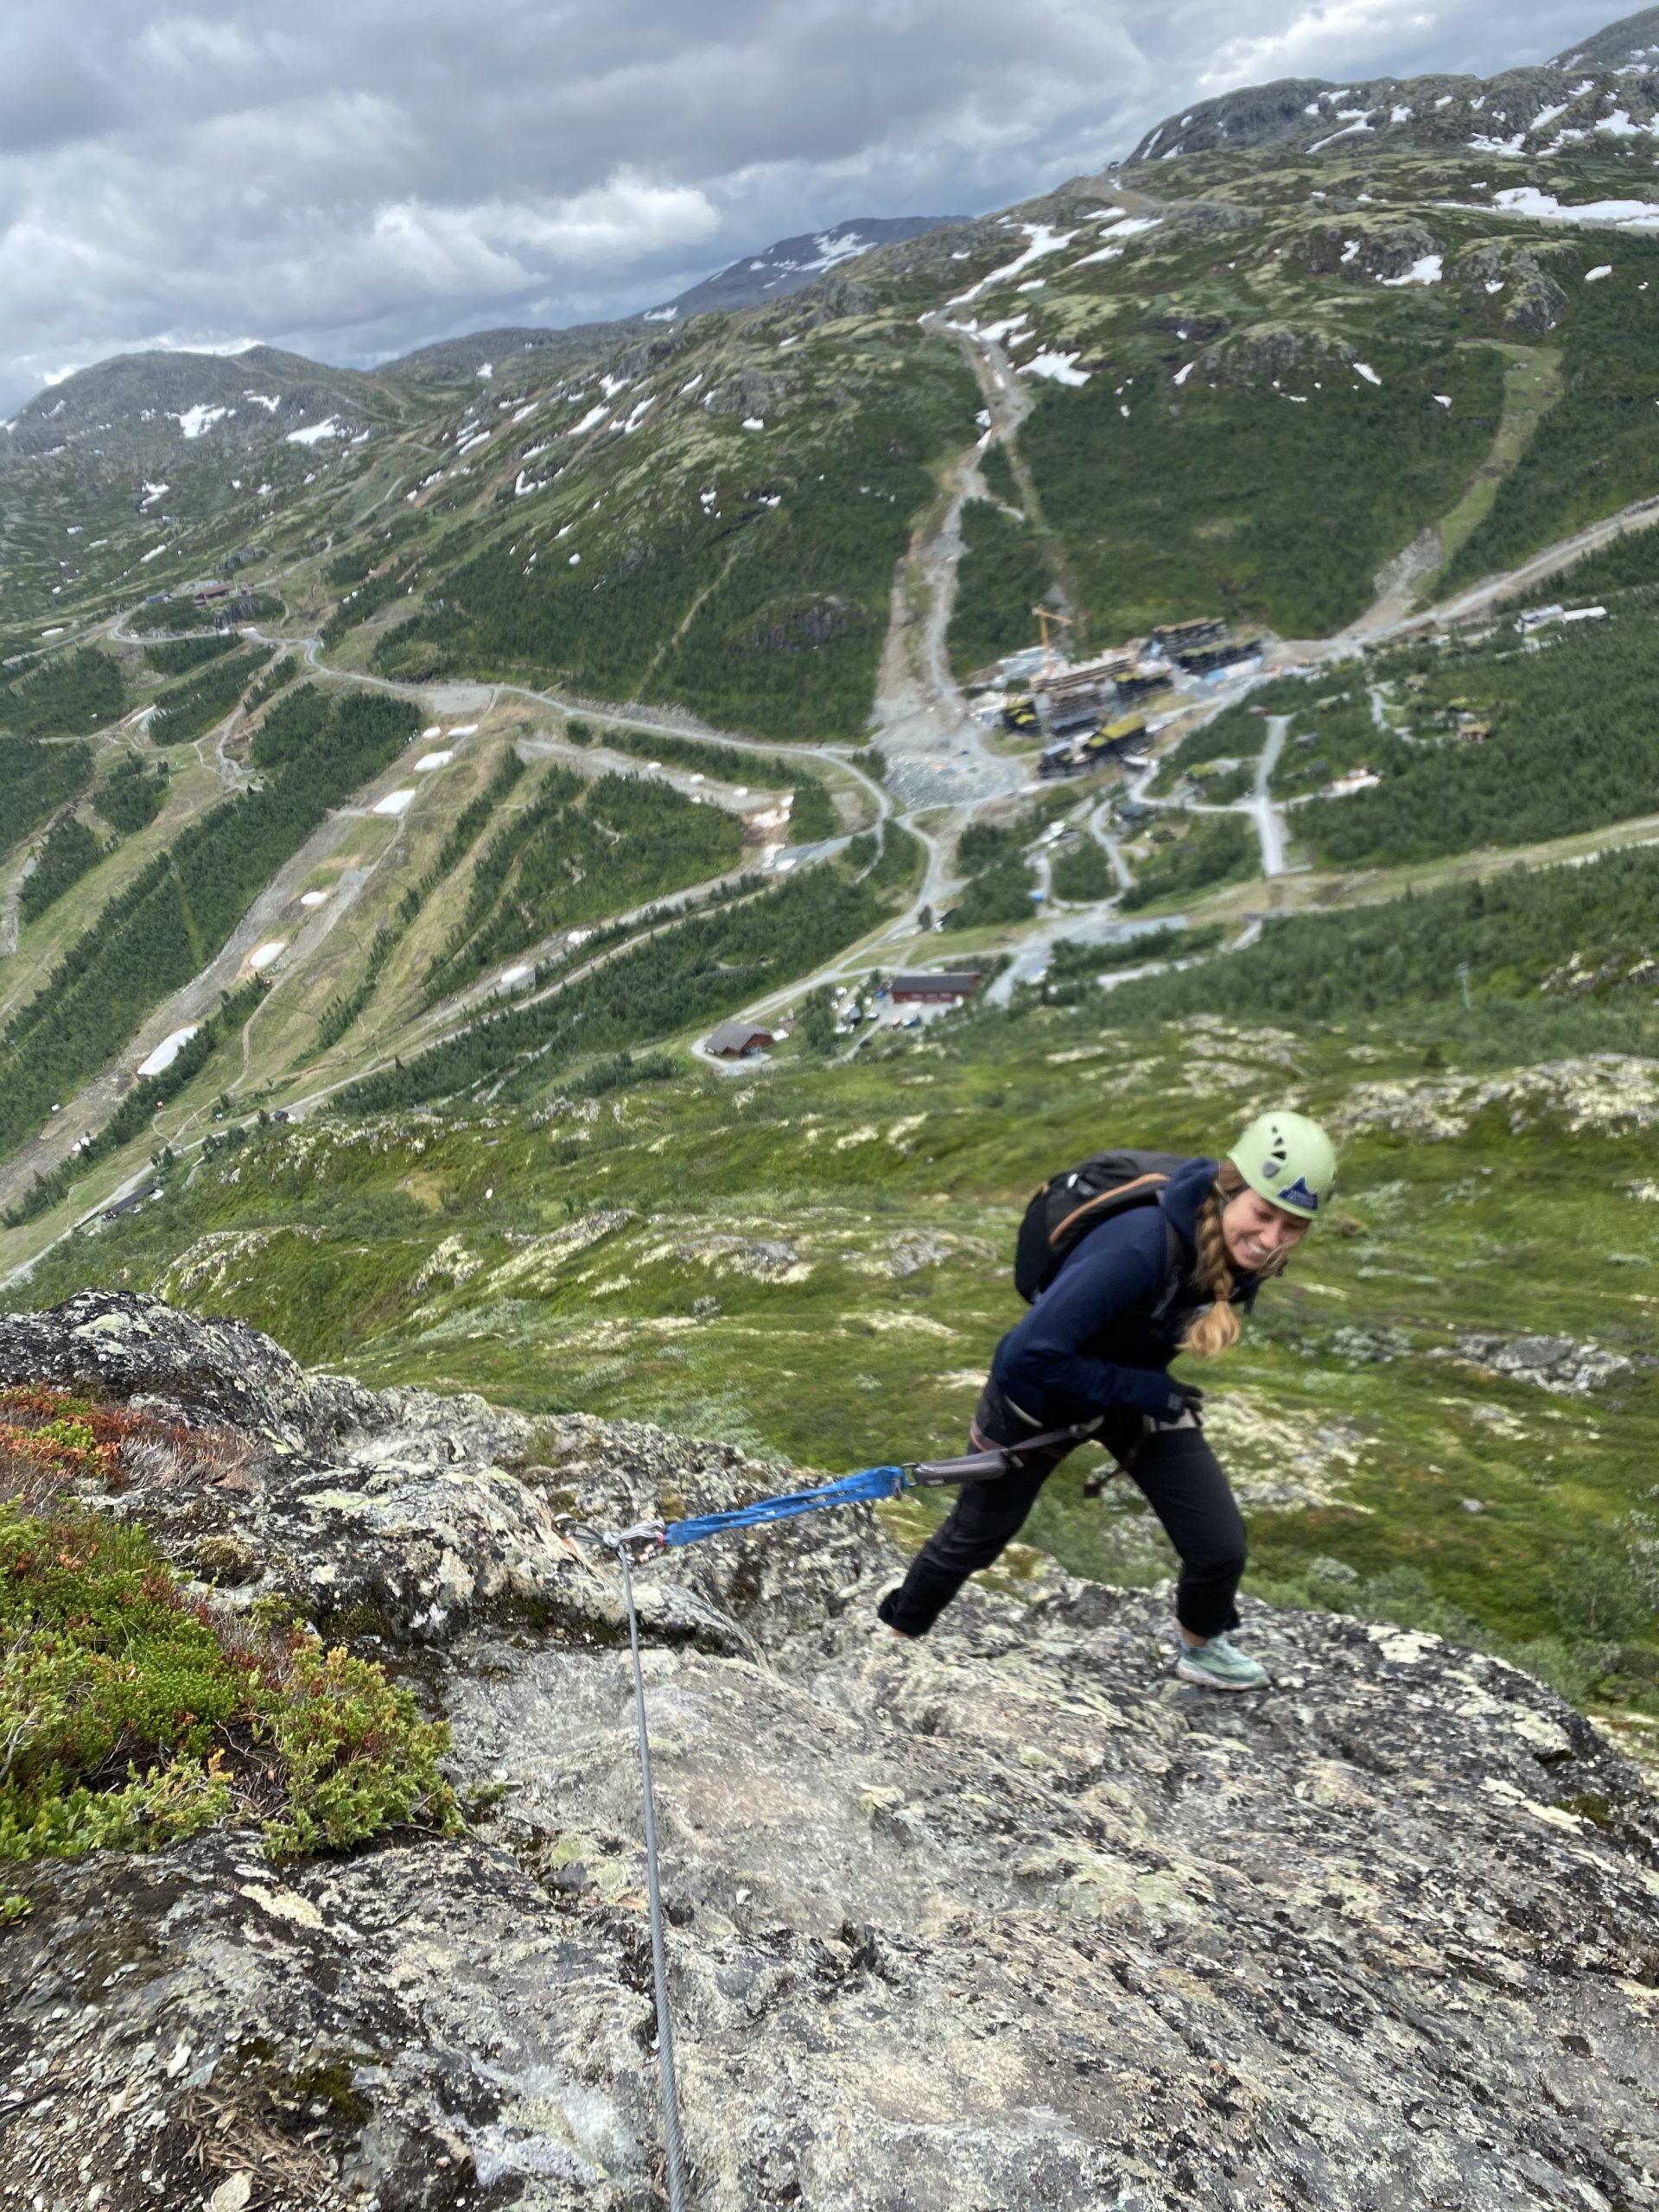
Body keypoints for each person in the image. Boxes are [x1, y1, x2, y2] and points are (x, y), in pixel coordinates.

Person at [876, 1110, 1338, 1688]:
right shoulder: (1139, 1245)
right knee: (976, 1539)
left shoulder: (1238, 1245)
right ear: (1227, 1191)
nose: (1271, 1240)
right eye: (1263, 1215)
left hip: (1132, 1393)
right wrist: (1143, 1389)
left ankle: (1202, 1646)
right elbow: (1024, 1355)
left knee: (1219, 1547)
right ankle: (897, 1639)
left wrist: (1140, 1389)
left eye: (1292, 1227)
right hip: (1037, 1400)